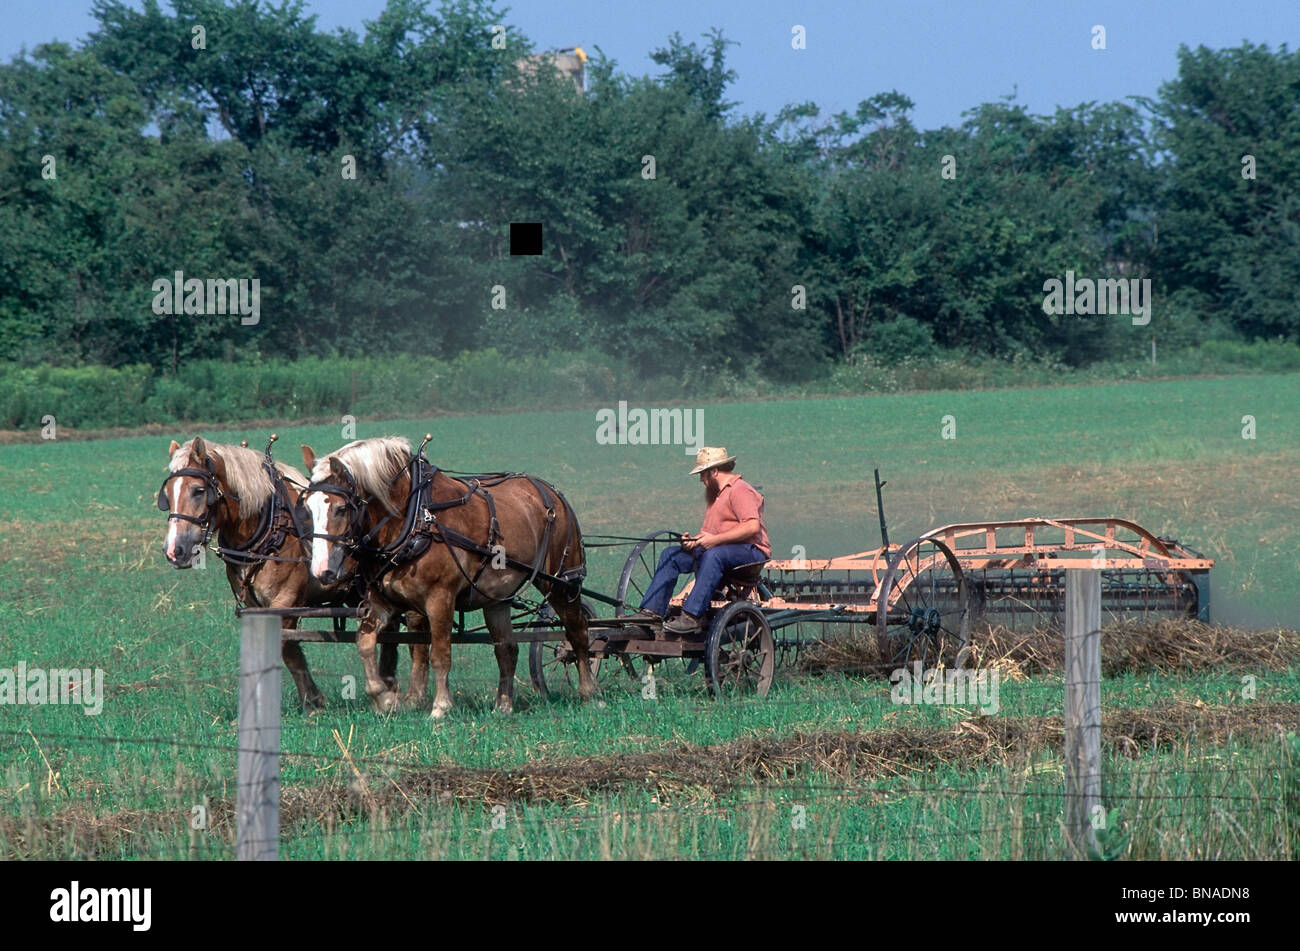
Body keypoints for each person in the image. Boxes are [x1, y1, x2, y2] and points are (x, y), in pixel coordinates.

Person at [637, 446, 771, 634]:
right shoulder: (716, 497)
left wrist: (714, 540)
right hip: (721, 551)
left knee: (714, 555)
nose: (701, 479)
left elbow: (751, 527)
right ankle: (651, 613)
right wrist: (693, 542)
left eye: (703, 474)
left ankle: (692, 616)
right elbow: (708, 535)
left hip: (751, 552)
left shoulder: (740, 490)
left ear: (714, 471)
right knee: (671, 555)